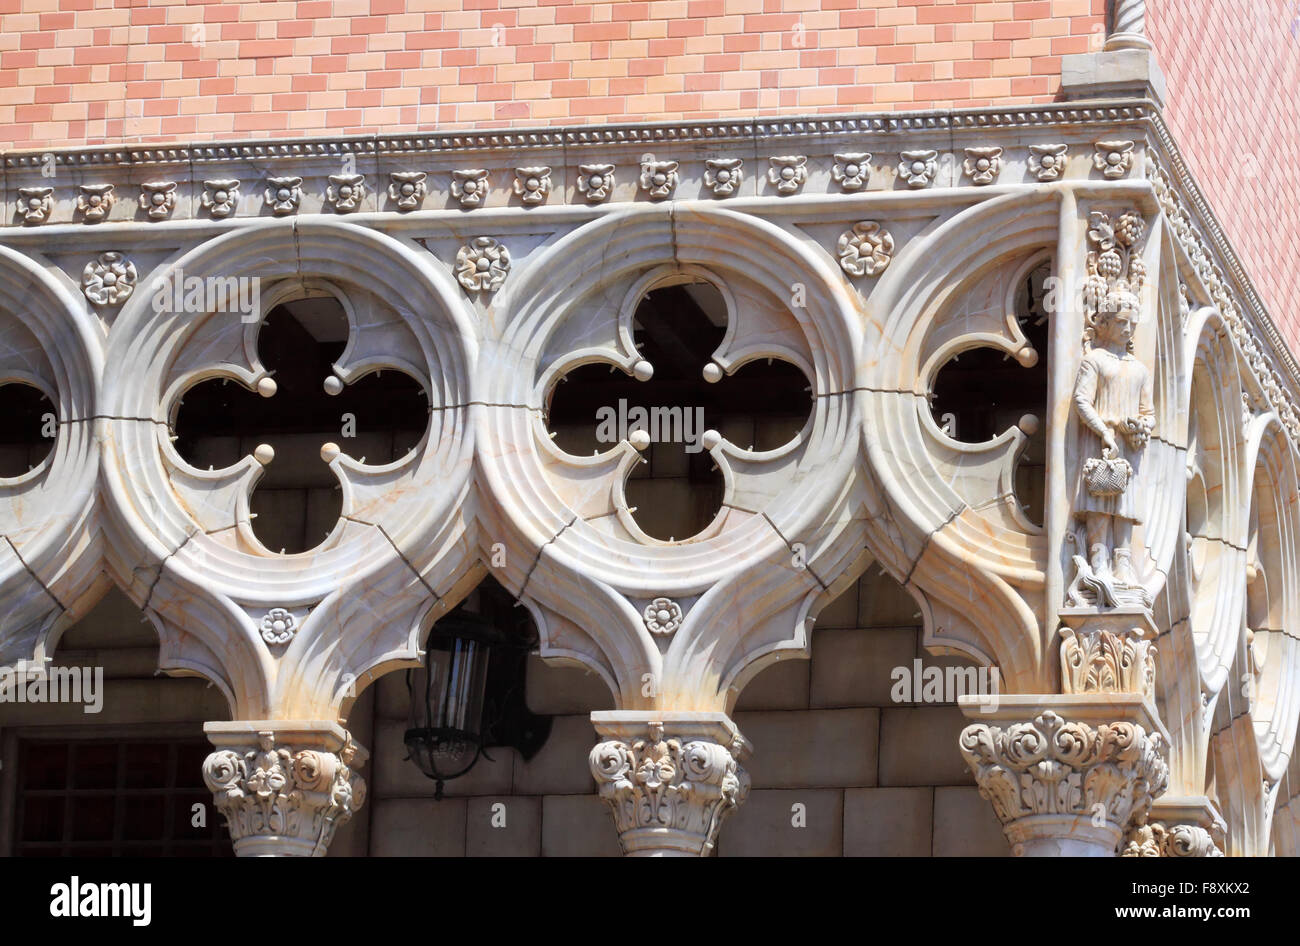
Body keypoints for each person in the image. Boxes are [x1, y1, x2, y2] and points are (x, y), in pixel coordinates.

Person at [1072, 282, 1154, 588]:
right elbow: (1082, 400)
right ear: (1104, 323)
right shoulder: (1095, 360)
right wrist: (1104, 430)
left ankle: (1123, 564)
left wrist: (1142, 427)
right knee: (1099, 501)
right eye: (1121, 322)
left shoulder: (1139, 369)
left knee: (1125, 507)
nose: (1128, 329)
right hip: (1100, 442)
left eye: (1132, 323)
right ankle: (1099, 561)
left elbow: (1149, 412)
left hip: (1128, 447)